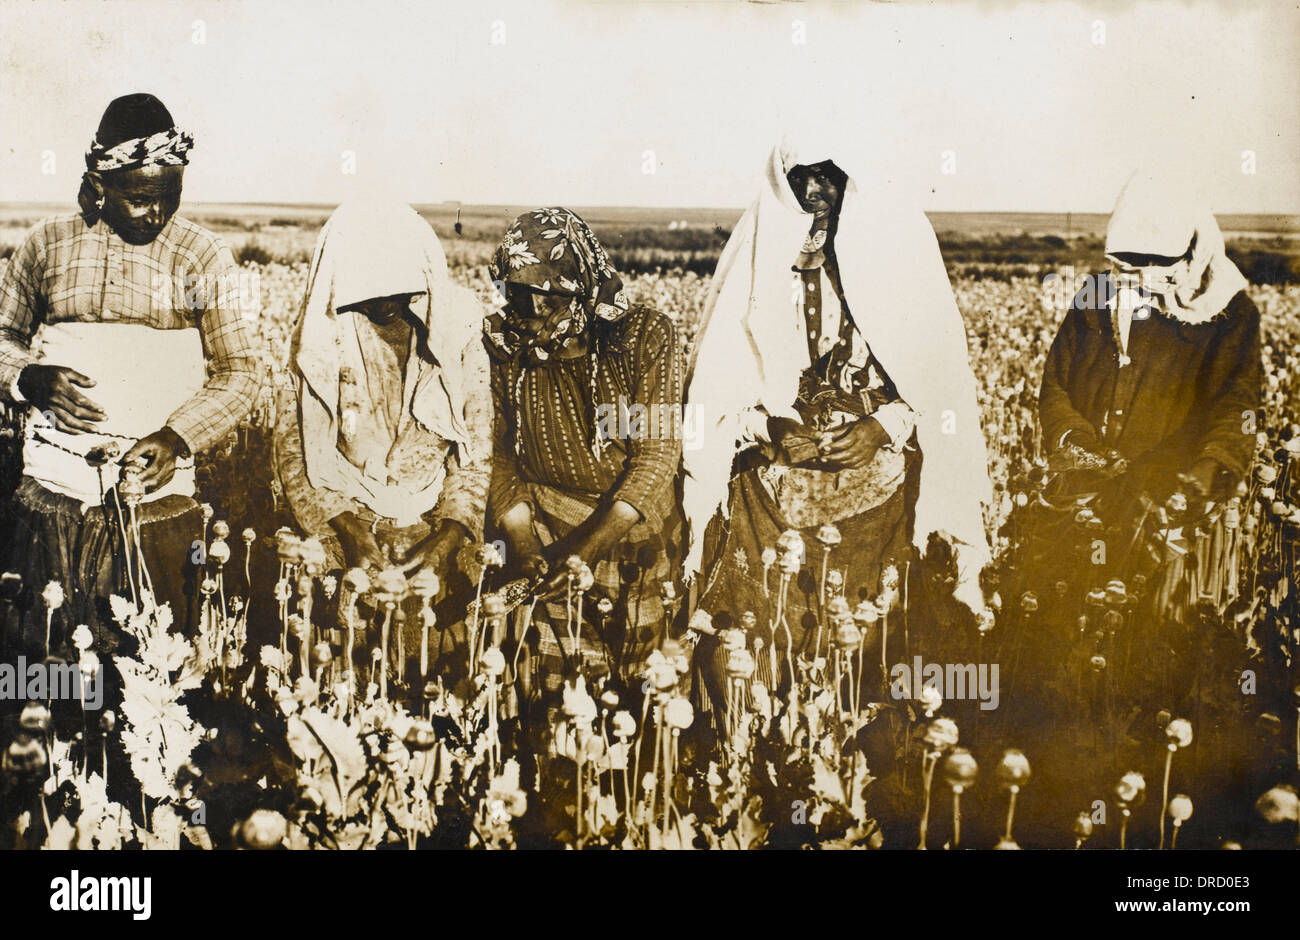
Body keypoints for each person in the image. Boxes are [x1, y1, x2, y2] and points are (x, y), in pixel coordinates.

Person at [683, 133, 992, 705]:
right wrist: (771, 429)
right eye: (799, 176)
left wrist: (881, 428)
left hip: (880, 486)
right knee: (763, 634)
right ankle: (758, 750)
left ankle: (855, 755)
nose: (814, 190)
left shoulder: (899, 244)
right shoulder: (761, 246)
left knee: (869, 639)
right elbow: (724, 380)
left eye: (829, 174)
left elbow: (935, 377)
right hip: (772, 484)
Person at [0, 93, 260, 657]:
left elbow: (241, 371)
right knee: (46, 651)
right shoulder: (47, 246)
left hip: (159, 497)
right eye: (140, 199)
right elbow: (3, 337)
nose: (158, 215)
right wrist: (29, 379)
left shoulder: (201, 257)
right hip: (53, 487)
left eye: (171, 197)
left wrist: (177, 437)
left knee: (152, 659)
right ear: (98, 185)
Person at [273, 200, 492, 676]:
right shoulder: (318, 342)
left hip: (437, 525)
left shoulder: (457, 339)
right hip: (341, 525)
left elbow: (474, 454)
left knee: (439, 676)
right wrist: (351, 532)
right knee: (341, 670)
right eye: (368, 289)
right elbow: (294, 454)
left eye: (398, 285)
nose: (383, 303)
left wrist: (449, 535)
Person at [483, 207, 685, 694]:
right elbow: (499, 456)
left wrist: (585, 552)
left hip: (631, 532)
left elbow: (655, 456)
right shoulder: (505, 347)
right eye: (518, 297)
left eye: (546, 299)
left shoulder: (640, 338)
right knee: (555, 692)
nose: (529, 314)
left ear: (577, 283)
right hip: (541, 528)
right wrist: (529, 550)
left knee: (638, 693)